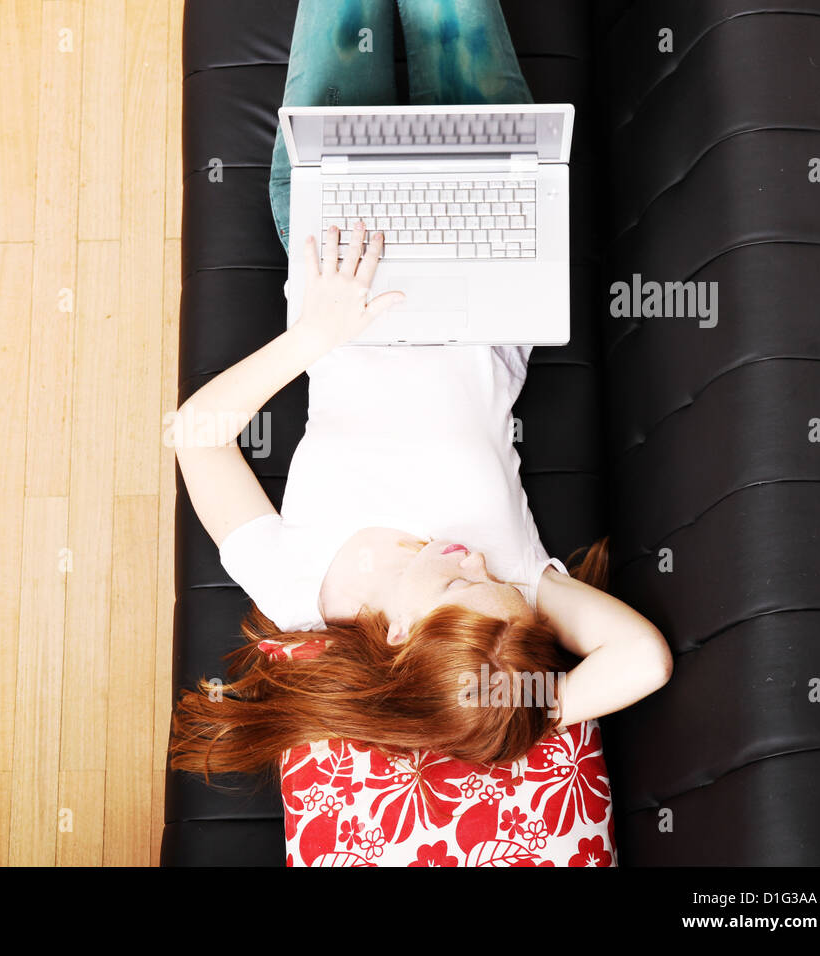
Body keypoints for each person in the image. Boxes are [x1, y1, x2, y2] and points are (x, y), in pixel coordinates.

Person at [167, 1, 672, 863]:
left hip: (339, 251)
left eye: (457, 582)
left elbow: (196, 435)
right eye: (487, 576)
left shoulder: (299, 593)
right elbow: (643, 663)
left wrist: (311, 338)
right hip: (488, 242)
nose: (471, 559)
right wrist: (496, 708)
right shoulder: (512, 593)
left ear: (399, 640)